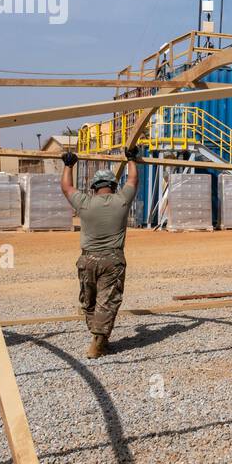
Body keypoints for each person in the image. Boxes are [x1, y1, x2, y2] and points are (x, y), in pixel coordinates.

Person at [60, 145, 139, 358]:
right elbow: (132, 180)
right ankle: (98, 341)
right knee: (108, 301)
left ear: (94, 187)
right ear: (113, 186)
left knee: (89, 301)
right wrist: (131, 158)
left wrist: (68, 164)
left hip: (88, 260)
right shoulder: (121, 201)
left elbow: (67, 187)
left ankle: (98, 337)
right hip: (112, 260)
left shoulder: (85, 203)